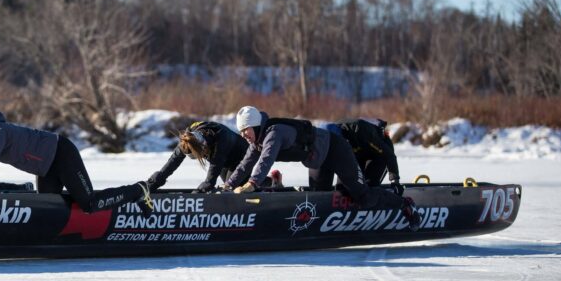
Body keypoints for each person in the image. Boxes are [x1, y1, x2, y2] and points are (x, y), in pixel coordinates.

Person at [0, 93, 154, 215]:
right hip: (45, 167)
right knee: (47, 209)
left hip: (61, 153)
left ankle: (138, 190)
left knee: (89, 204)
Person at [224, 106, 421, 230]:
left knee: (363, 197)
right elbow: (245, 164)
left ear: (256, 125)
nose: (244, 135)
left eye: (245, 131)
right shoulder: (256, 141)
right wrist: (227, 186)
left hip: (337, 150)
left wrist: (252, 183)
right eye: (241, 132)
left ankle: (405, 205)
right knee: (319, 198)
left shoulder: (274, 133)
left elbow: (266, 160)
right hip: (318, 161)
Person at [145, 120, 281, 192]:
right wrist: (154, 182)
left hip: (241, 155)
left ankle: (271, 182)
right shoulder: (188, 140)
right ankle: (271, 180)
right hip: (225, 161)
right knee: (232, 186)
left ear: (204, 147)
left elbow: (214, 168)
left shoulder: (221, 138)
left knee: (234, 188)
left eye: (200, 155)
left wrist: (206, 187)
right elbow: (172, 163)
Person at [324, 118, 401, 189]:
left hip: (378, 155)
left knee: (368, 185)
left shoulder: (363, 131)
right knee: (343, 187)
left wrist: (395, 181)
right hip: (358, 154)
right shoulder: (331, 138)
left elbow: (389, 155)